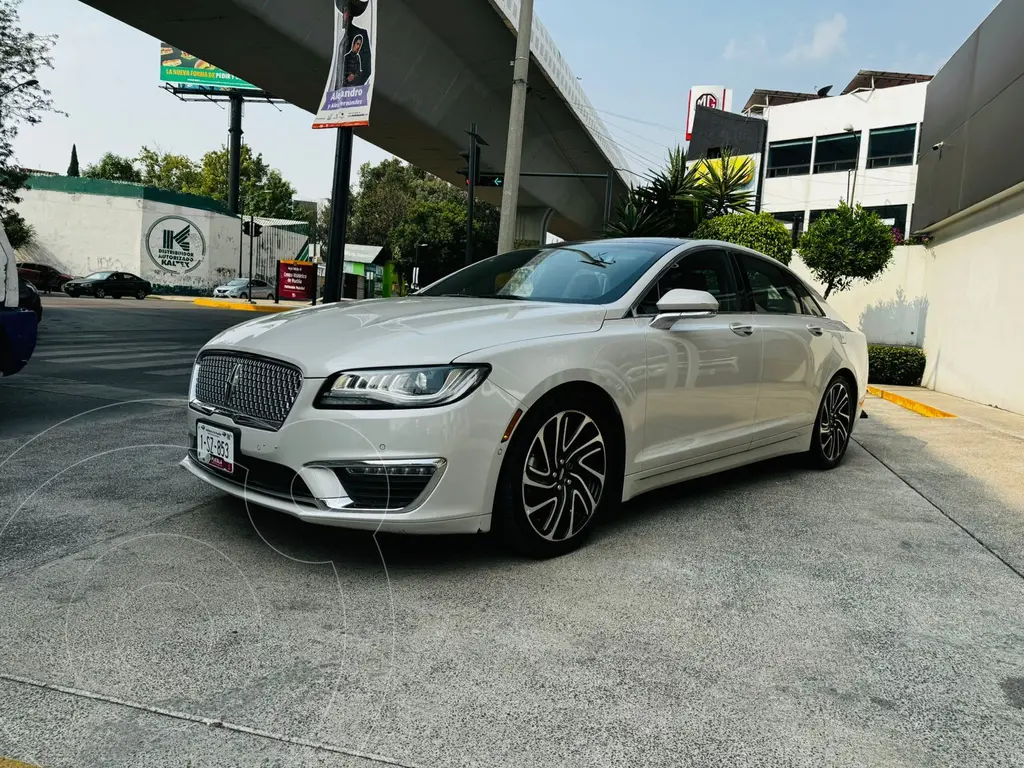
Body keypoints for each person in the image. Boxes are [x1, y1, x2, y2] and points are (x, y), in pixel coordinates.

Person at [329, 0, 372, 91]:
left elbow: (367, 69)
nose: (345, 15)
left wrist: (351, 85)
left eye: (347, 12)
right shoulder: (339, 36)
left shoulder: (360, 34)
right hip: (337, 92)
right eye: (344, 11)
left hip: (351, 92)